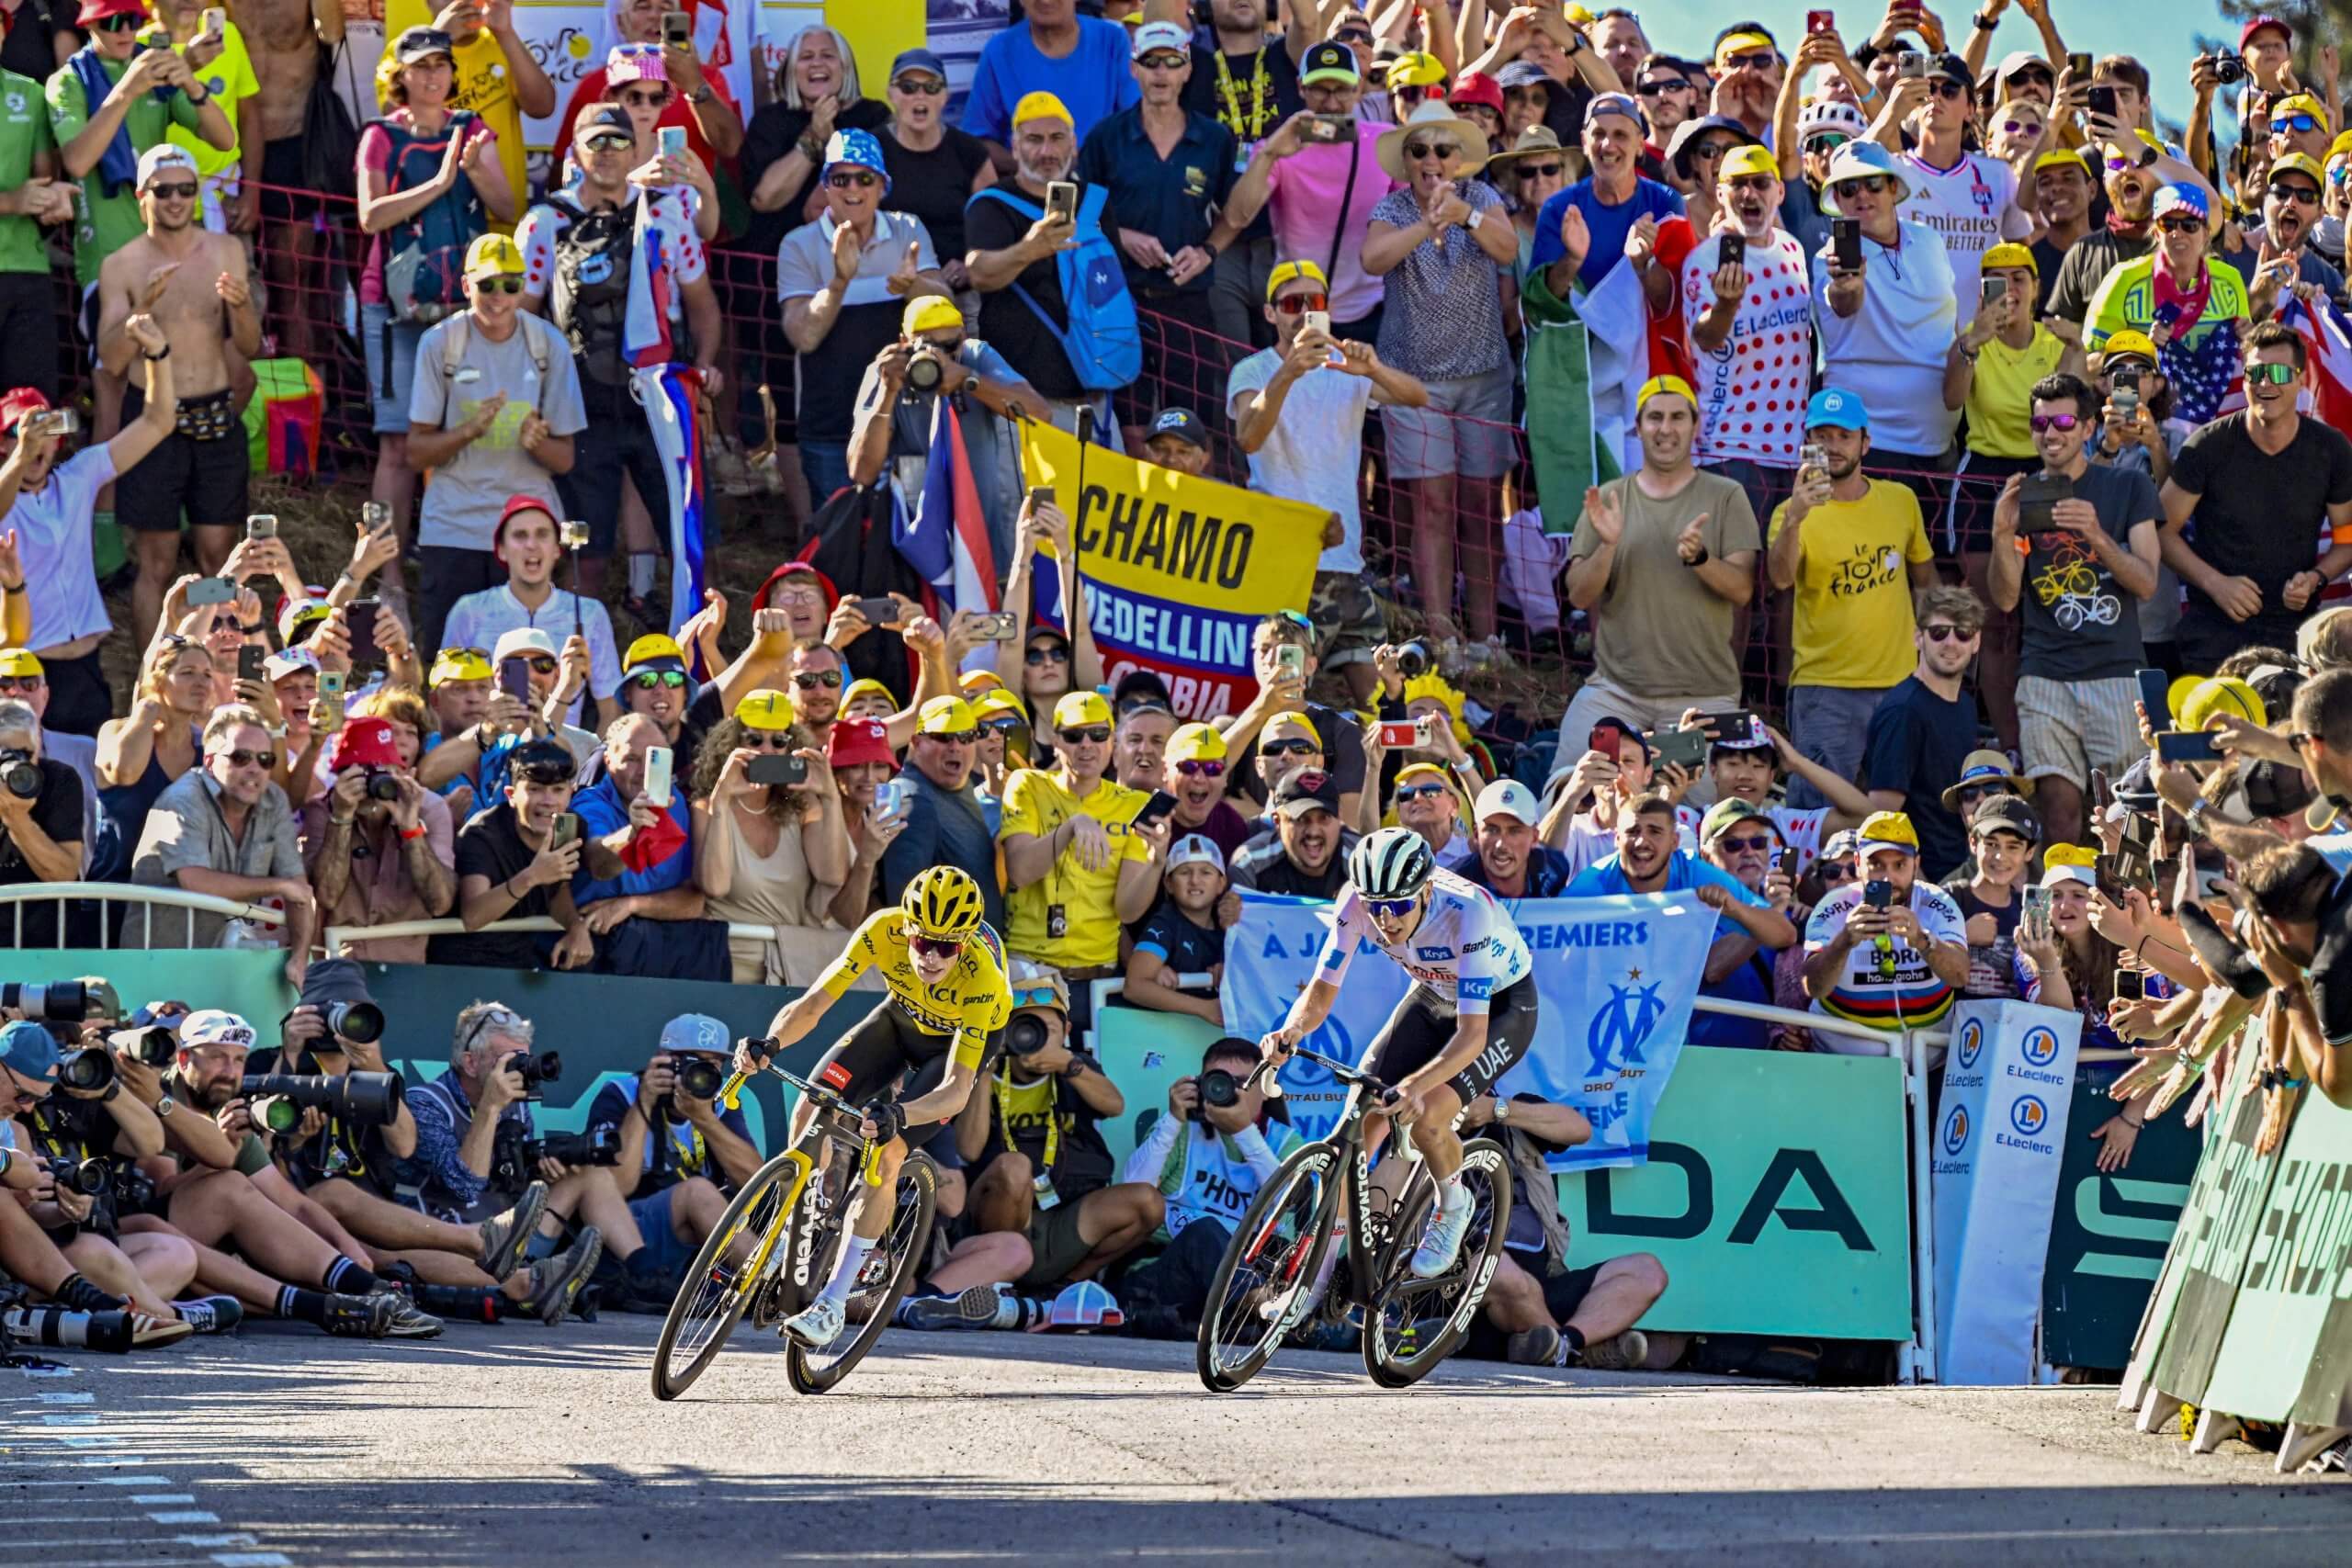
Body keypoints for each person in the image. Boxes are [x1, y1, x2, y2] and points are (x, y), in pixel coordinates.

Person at [738, 866, 1008, 1346]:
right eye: (923, 941)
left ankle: (835, 1304)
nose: (931, 956)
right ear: (906, 927)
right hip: (900, 1020)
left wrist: (900, 1114)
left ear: (964, 945)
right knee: (810, 1106)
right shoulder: (881, 928)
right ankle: (800, 1222)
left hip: (951, 1055)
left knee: (888, 1153)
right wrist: (771, 1042)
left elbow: (956, 1088)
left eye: (947, 947)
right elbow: (815, 1003)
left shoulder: (983, 979)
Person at [1259, 829, 1535, 1279]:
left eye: (1400, 906)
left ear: (1426, 889)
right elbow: (1323, 990)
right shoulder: (1356, 900)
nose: (1386, 920)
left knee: (1426, 1115)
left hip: (1503, 1007)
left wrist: (1414, 1085)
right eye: (1376, 907)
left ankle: (1453, 1202)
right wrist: (1290, 1031)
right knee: (1356, 1123)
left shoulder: (1470, 913)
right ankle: (1317, 1273)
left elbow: (1471, 1036)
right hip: (1432, 993)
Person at [515, 104, 721, 602]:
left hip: (658, 396)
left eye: (618, 142)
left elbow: (702, 304)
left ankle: (706, 652)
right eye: (596, 143)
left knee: (692, 536)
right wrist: (533, 393)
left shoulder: (667, 212)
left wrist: (705, 366)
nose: (607, 153)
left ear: (637, 150)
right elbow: (520, 315)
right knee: (586, 547)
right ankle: (573, 658)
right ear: (575, 153)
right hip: (580, 401)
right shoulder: (546, 221)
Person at [355, 27, 515, 590]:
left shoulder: (472, 130)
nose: (431, 76)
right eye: (420, 67)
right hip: (395, 310)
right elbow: (371, 216)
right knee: (397, 444)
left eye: (441, 66)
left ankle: (461, 560)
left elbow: (507, 206)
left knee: (462, 435)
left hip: (464, 307)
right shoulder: (378, 136)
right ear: (399, 76)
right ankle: (387, 574)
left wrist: (472, 171)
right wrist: (443, 180)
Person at [1227, 258, 1427, 704]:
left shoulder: (1345, 370)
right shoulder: (1254, 371)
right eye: (1291, 303)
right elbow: (1249, 436)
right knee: (1283, 697)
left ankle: (1392, 769)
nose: (1302, 312)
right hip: (1288, 570)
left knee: (1387, 700)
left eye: (1313, 302)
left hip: (1346, 563)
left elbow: (1418, 396)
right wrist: (1289, 371)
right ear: (1271, 313)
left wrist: (1372, 368)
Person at [1363, 99, 1519, 658]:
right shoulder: (1392, 207)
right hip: (1413, 381)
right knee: (1431, 505)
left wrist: (1463, 216)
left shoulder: (1483, 198)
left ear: (1459, 158)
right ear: (1405, 160)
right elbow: (1372, 259)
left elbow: (1508, 247)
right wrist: (1426, 222)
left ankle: (1486, 637)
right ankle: (1441, 634)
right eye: (1419, 149)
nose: (1431, 159)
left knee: (1479, 505)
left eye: (1441, 149)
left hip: (1482, 378)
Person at [401, 998, 668, 1312]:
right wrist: (490, 1107)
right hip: (451, 1244)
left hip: (506, 1238)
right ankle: (531, 1285)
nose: (519, 1072)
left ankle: (644, 1277)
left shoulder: (518, 1104)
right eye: (507, 1061)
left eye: (523, 1060)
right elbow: (464, 1185)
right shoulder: (425, 1103)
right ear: (471, 1063)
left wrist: (539, 1173)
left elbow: (509, 1185)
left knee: (590, 1174)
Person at [1985, 373, 2162, 845]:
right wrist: (2002, 536)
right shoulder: (2021, 495)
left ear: (2088, 429)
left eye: (2063, 420)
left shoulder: (2127, 487)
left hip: (2117, 673)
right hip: (2044, 674)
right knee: (2058, 814)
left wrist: (2097, 535)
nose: (2051, 432)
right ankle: (2058, 916)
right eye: (2040, 423)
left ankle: (2125, 917)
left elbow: (2146, 582)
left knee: (2125, 820)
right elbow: (2004, 598)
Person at [406, 231, 586, 660]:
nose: (498, 296)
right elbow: (414, 453)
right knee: (448, 667)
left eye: (510, 284)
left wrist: (537, 443)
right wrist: (468, 430)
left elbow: (565, 460)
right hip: (454, 529)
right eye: (487, 285)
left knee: (528, 665)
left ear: (523, 286)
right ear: (467, 286)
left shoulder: (548, 345)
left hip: (527, 534)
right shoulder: (441, 343)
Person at [1558, 375, 1758, 744]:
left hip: (1704, 698)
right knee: (1567, 787)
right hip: (1614, 693)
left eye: (1677, 417)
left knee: (1709, 802)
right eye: (1655, 418)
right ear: (1638, 427)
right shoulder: (1608, 498)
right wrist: (1608, 545)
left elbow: (1743, 590)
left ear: (1695, 426)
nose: (1666, 429)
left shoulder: (1728, 496)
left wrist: (1701, 559)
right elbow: (1579, 596)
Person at [0, 322, 178, 737]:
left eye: (45, 429)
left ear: (58, 439)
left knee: (89, 788)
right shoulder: (6, 495)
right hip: (25, 674)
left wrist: (158, 354)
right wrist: (21, 455)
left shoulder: (77, 477)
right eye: (20, 432)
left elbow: (158, 422)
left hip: (86, 668)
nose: (34, 442)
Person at [1767, 388, 1936, 806]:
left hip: (1900, 685)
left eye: (1843, 436)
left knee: (1906, 811)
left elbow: (1925, 582)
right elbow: (1780, 579)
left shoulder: (1900, 500)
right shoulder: (1790, 512)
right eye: (1822, 436)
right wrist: (1794, 519)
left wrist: (1932, 662)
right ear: (1808, 444)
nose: (1833, 446)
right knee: (1815, 812)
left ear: (1866, 442)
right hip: (1825, 688)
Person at [956, 958, 1162, 1295]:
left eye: (1046, 1031)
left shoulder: (1076, 1067)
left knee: (1148, 1202)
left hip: (1065, 1210)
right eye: (1023, 1028)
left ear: (1066, 1032)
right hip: (1001, 1212)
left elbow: (1115, 1105)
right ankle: (998, 1279)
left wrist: (1070, 1064)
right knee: (1015, 1165)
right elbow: (968, 1149)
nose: (1033, 1039)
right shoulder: (986, 1073)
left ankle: (1064, 1287)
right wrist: (983, 1069)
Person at [2159, 320, 2352, 671]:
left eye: (2278, 373)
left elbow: (2346, 538)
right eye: (2255, 373)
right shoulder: (2207, 446)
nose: (2266, 384)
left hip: (2295, 632)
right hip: (2214, 632)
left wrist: (2315, 579)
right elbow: (2162, 529)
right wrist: (2215, 584)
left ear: (2299, 378)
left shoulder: (2330, 449)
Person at [778, 127, 946, 502]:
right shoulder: (798, 244)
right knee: (840, 546)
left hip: (904, 423)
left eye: (864, 177)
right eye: (841, 178)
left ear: (882, 186)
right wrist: (839, 281)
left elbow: (945, 309)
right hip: (830, 428)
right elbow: (804, 336)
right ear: (826, 186)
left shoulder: (908, 230)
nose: (853, 188)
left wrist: (912, 286)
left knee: (908, 546)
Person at [1463, 1084, 1665, 1370]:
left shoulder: (1508, 1112)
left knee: (1647, 1271)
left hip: (1543, 1285)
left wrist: (1498, 1110)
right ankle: (1578, 1356)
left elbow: (1578, 1129)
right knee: (1498, 1270)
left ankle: (1560, 1343)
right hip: (1466, 1300)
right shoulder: (1418, 1127)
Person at [964, 91, 1131, 433]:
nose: (1046, 152)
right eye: (1034, 140)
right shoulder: (993, 205)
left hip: (1096, 397)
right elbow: (979, 274)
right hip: (1022, 402)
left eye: (1057, 138)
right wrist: (1030, 249)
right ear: (1014, 147)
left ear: (1073, 144)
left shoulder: (1096, 203)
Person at [1114, 1034, 1302, 1338]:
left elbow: (1295, 1201)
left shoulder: (1283, 1142)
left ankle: (1256, 1308)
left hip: (1248, 1272)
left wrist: (1244, 1132)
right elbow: (1130, 1194)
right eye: (1218, 1081)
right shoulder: (1181, 1130)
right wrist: (1174, 1119)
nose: (1227, 1091)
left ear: (1264, 1090)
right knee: (1205, 1230)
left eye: (1241, 1082)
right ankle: (1263, 1310)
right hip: (1172, 1274)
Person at [1217, 42, 1396, 343]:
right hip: (1300, 310)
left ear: (1359, 88)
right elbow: (1237, 217)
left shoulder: (1385, 141)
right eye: (1320, 90)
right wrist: (1271, 153)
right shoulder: (1278, 147)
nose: (1331, 102)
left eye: (1341, 89)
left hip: (1372, 311)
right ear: (1301, 88)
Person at [849, 295, 1042, 571]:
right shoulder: (887, 370)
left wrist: (968, 378)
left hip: (982, 541)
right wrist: (887, 392)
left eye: (948, 346)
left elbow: (1039, 414)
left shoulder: (974, 356)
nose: (938, 356)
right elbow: (862, 472)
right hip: (917, 550)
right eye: (925, 346)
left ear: (963, 337)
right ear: (904, 341)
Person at [129, 703, 312, 984]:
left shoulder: (273, 799)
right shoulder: (179, 800)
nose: (255, 769)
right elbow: (196, 881)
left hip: (223, 965)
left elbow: (298, 891)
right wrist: (278, 885)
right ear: (211, 762)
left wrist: (299, 959)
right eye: (241, 757)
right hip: (156, 963)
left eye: (265, 760)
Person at [582, 1012, 763, 1295]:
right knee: (698, 1192)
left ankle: (784, 1289)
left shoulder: (718, 1105)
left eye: (713, 1065)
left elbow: (757, 1184)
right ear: (663, 1059)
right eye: (693, 1063)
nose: (702, 1075)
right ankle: (772, 1285)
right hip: (627, 1236)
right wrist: (645, 1101)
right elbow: (612, 1188)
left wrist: (705, 1120)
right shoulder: (622, 1093)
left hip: (689, 1239)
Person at [1077, 22, 1236, 339]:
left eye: (1172, 61)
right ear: (1134, 70)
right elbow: (1078, 215)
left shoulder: (1215, 138)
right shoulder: (1106, 136)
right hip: (1117, 294)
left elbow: (1233, 215)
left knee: (1191, 391)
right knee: (1124, 390)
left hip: (1189, 298)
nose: (1161, 71)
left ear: (1187, 71)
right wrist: (1121, 236)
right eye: (1150, 61)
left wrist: (1207, 252)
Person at [1813, 141, 1957, 480]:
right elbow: (1843, 303)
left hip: (1939, 443)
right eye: (1848, 189)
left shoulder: (1930, 240)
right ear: (1837, 200)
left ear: (1893, 188)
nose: (1862, 195)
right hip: (1867, 445)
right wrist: (1847, 289)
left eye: (1873, 184)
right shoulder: (1829, 258)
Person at [1682, 143, 1810, 518]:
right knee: (1736, 567)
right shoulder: (1705, 259)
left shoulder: (1792, 250)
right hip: (1730, 447)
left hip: (1791, 449)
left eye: (1760, 183)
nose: (1750, 193)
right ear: (1721, 194)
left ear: (1780, 192)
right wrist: (1725, 306)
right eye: (1738, 184)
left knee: (1782, 570)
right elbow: (1704, 339)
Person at [1001, 689, 1161, 980]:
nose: (1087, 744)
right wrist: (1071, 827)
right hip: (1029, 967)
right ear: (1055, 741)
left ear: (1112, 743)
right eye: (1074, 735)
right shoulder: (1028, 784)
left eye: (1098, 734)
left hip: (1097, 973)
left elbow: (1127, 910)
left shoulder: (1136, 805)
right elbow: (1020, 871)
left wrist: (1157, 863)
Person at [690, 692, 843, 984]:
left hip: (791, 965)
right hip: (726, 965)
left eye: (779, 741)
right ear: (732, 745)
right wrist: (721, 801)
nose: (767, 750)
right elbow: (715, 885)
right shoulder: (706, 807)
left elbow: (832, 874)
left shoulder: (803, 807)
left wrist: (830, 796)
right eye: (754, 740)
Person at [439, 498, 621, 733]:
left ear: (557, 549)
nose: (532, 545)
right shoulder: (470, 610)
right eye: (520, 535)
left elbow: (610, 708)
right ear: (501, 550)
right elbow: (444, 701)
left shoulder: (590, 614)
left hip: (564, 758)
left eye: (542, 534)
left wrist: (590, 764)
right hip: (488, 752)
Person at [1880, 52, 2030, 329]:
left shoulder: (1997, 175)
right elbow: (1846, 166)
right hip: (1908, 341)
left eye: (1948, 91)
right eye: (1927, 91)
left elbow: (2020, 253)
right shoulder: (1892, 170)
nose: (1936, 98)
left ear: (1970, 109)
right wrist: (1892, 111)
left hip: (1979, 341)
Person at [428, 735, 602, 971]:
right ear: (511, 795)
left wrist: (575, 926)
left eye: (558, 790)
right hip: (460, 967)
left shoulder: (568, 826)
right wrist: (532, 876)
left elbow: (557, 889)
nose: (548, 801)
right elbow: (473, 916)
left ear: (570, 793)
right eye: (535, 790)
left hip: (519, 964)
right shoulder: (483, 834)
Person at [2084, 184, 2248, 428]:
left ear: (2206, 232)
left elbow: (2246, 355)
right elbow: (2089, 366)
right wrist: (2141, 349)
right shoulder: (2124, 279)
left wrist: (2248, 340)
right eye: (2168, 224)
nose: (2177, 233)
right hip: (2139, 422)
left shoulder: (2229, 280)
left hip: (2214, 424)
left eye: (2190, 225)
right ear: (2156, 232)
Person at [1801, 809, 1970, 1040]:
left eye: (1899, 865)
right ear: (1858, 862)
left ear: (1916, 863)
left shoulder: (1937, 902)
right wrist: (1843, 942)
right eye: (1876, 865)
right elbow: (1814, 988)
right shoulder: (1834, 906)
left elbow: (1960, 977)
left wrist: (1923, 940)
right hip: (1846, 1064)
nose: (1888, 878)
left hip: (1928, 1062)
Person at [300, 713, 454, 964]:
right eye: (362, 772)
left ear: (401, 772)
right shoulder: (325, 809)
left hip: (407, 967)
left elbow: (440, 903)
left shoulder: (429, 808)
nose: (372, 784)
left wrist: (411, 830)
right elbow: (326, 896)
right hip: (342, 965)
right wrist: (341, 818)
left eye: (382, 771)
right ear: (340, 775)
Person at [376, 0, 552, 215]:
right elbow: (393, 116)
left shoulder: (501, 44)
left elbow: (542, 107)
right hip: (434, 221)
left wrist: (506, 34)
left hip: (500, 217)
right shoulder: (402, 52)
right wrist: (437, 40)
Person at [241, 0, 345, 362]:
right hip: (226, 147)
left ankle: (309, 394)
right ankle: (248, 395)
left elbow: (331, 33)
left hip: (294, 144)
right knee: (228, 283)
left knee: (294, 278)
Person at [1860, 586, 1987, 879]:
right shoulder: (1904, 712)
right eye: (1939, 632)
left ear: (1976, 641)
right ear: (1919, 638)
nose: (1951, 643)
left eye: (1963, 633)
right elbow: (1881, 819)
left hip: (1965, 866)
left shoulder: (1965, 706)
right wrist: (1925, 893)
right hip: (1929, 876)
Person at [548, 0, 742, 169]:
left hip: (687, 208)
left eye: (665, 7)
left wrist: (694, 86)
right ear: (620, 23)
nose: (655, 16)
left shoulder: (706, 78)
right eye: (643, 7)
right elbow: (562, 169)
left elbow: (731, 147)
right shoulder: (595, 84)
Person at [1532, 89, 1681, 299]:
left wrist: (1645, 262)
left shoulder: (1666, 203)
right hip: (1580, 331)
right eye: (1599, 134)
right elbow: (1541, 303)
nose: (1608, 146)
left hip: (1643, 332)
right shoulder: (1558, 208)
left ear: (1640, 145)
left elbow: (1676, 301)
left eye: (1620, 135)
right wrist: (1573, 259)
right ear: (1584, 142)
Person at [877, 47, 996, 297]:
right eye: (908, 87)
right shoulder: (873, 150)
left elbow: (995, 226)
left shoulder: (969, 152)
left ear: (944, 96)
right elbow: (823, 210)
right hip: (888, 286)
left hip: (955, 291)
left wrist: (970, 265)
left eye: (931, 87)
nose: (920, 95)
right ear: (892, 94)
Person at [879, 695, 1002, 932]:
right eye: (942, 737)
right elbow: (905, 907)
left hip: (973, 956)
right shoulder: (913, 801)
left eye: (965, 737)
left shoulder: (960, 787)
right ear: (916, 742)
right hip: (944, 959)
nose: (955, 746)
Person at [962, 0, 1140, 161]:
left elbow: (1136, 126)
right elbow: (977, 141)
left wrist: (1083, 169)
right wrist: (1033, 170)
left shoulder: (1112, 40)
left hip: (1099, 186)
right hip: (1024, 187)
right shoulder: (999, 50)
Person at [0, 47, 70, 403]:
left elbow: (42, 178)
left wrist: (51, 199)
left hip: (27, 269)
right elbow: (18, 197)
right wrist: (11, 201)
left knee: (36, 409)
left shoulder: (28, 92)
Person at [0, 697, 83, 942]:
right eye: (4, 755)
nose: (14, 766)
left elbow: (64, 874)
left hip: (46, 942)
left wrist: (17, 818)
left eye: (23, 754)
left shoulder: (60, 780)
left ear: (38, 750)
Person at [1123, 833, 1226, 1022]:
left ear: (1221, 884)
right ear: (1168, 884)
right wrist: (1205, 1009)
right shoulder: (1165, 923)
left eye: (1206, 872)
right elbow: (1134, 986)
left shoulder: (1231, 925)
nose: (1195, 880)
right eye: (1185, 872)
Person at [1951, 795, 2040, 1000]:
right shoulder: (1950, 899)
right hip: (1954, 1028)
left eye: (2013, 846)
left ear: (2029, 852)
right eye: (1991, 844)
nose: (2000, 856)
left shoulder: (2027, 911)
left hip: (2011, 1027)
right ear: (1973, 842)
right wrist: (1962, 936)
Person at [1228, 766, 1355, 898]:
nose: (1313, 832)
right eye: (1300, 819)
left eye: (1324, 818)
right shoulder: (1249, 863)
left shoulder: (1363, 864)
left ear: (1340, 817)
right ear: (1277, 821)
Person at [1451, 778, 1573, 898]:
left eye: (1514, 831)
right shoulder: (1454, 886)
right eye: (1492, 830)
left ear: (1534, 838)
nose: (1501, 844)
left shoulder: (1554, 868)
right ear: (1476, 835)